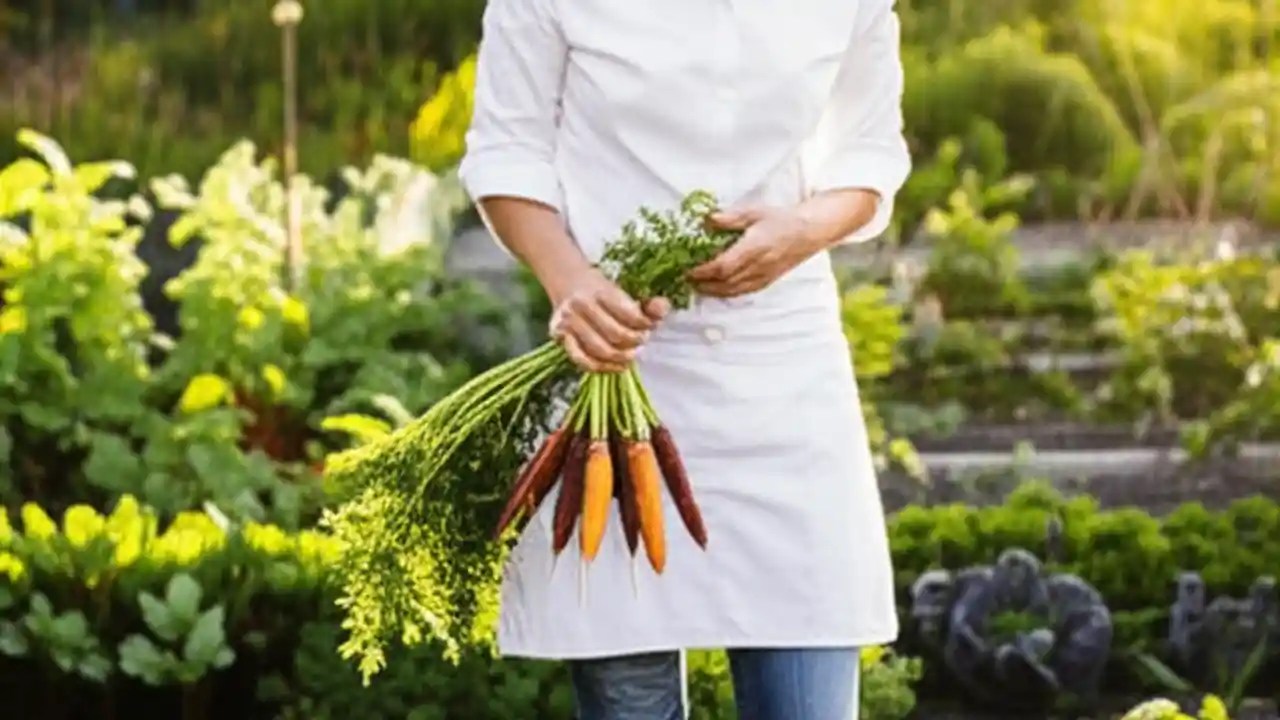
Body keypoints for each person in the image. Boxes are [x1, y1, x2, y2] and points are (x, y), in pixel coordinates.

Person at [458, 0, 910, 717]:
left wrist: (800, 230)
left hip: (784, 374)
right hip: (619, 370)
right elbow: (506, 150)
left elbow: (870, 149)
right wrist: (570, 281)